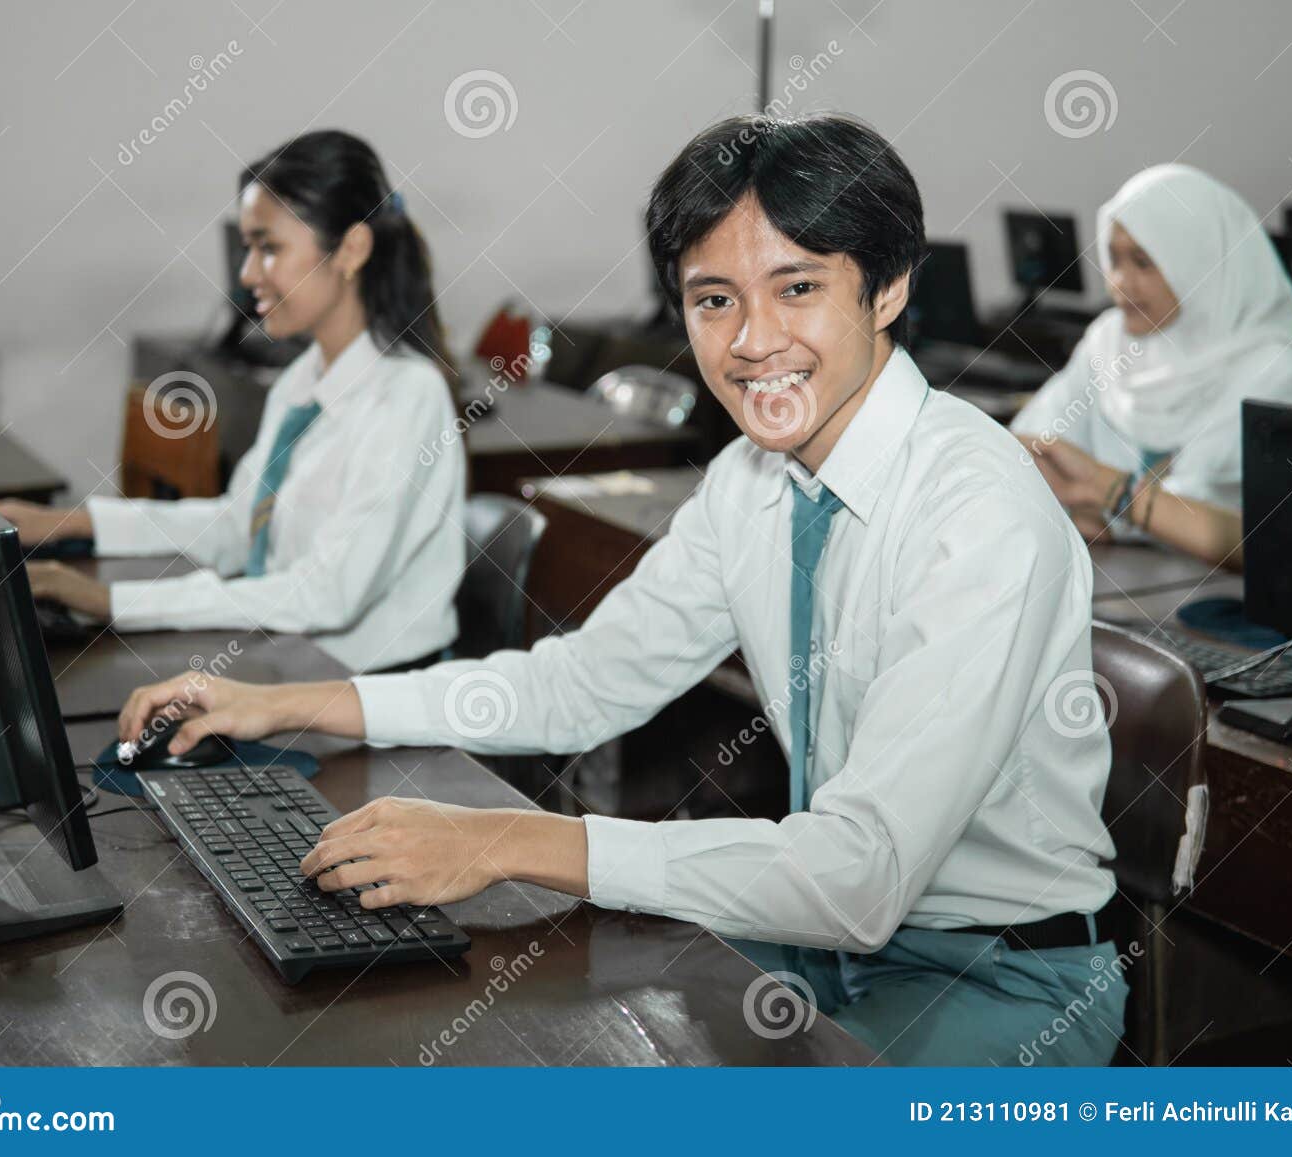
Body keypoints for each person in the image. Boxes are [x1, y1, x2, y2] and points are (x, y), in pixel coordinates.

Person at [119, 114, 1126, 1065]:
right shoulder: (749, 482)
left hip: (998, 975)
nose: (752, 339)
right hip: (818, 936)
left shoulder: (976, 509)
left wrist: (509, 838)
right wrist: (288, 702)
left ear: (890, 288)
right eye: (713, 299)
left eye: (796, 288)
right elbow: (579, 683)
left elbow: (860, 873)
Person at [0, 130, 465, 673]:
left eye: (269, 248)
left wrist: (113, 602)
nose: (247, 274)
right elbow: (237, 528)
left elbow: (327, 595)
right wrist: (72, 524)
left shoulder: (407, 398)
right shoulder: (301, 381)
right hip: (289, 659)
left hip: (364, 690)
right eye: (248, 248)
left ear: (351, 250)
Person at [1013, 164, 1292, 568]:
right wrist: (1086, 507)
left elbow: (1235, 529)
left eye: (1143, 262)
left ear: (1201, 262)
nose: (1119, 282)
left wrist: (1101, 507)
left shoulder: (1274, 372)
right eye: (1114, 258)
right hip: (1134, 578)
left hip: (1224, 595)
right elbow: (1027, 447)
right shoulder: (1109, 340)